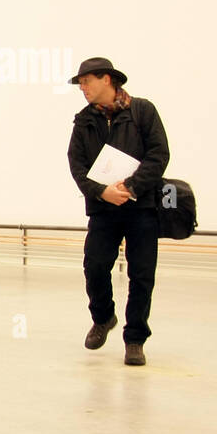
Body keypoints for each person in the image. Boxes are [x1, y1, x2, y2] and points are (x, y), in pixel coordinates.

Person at [67, 57, 170, 366]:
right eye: (81, 83)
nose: (82, 87)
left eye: (86, 81)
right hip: (103, 209)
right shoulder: (84, 120)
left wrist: (132, 187)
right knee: (95, 266)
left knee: (141, 275)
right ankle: (103, 317)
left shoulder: (142, 111)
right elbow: (77, 164)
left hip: (141, 208)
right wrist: (102, 192)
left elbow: (159, 153)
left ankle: (135, 339)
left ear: (107, 80)